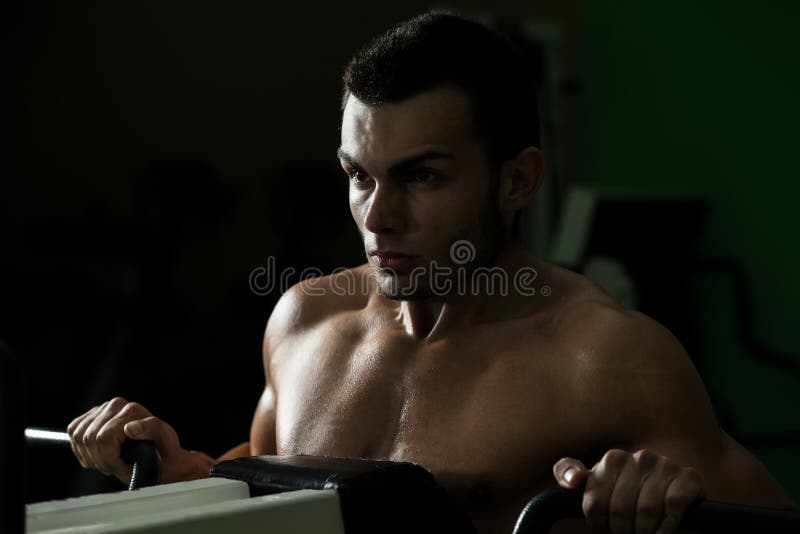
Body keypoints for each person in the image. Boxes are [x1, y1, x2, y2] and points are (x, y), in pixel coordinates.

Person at [67, 11, 796, 534]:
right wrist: (177, 468)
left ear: (517, 181)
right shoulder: (304, 321)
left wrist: (666, 503)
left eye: (421, 177)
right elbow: (271, 481)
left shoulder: (605, 357)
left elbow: (763, 521)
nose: (378, 216)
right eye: (360, 176)